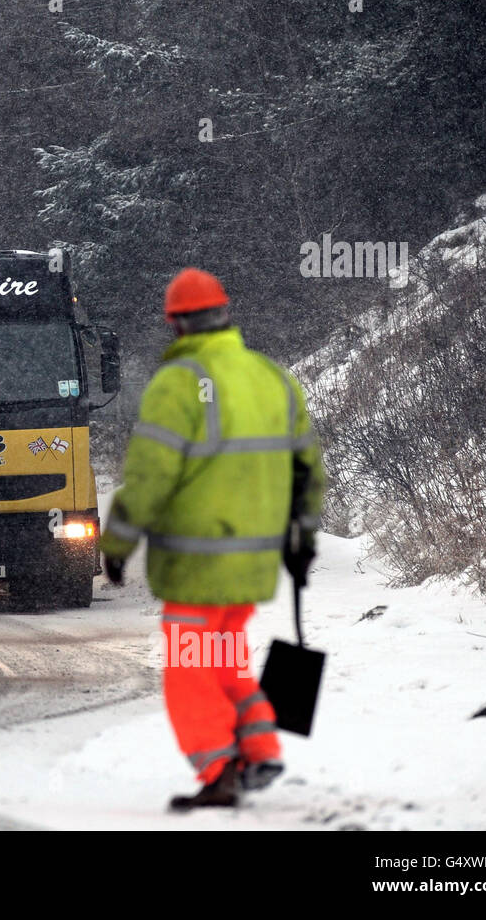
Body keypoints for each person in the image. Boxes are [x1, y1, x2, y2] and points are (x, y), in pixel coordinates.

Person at [98, 267, 326, 811]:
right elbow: (307, 468)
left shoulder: (180, 384)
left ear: (175, 324)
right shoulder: (272, 376)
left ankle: (219, 766)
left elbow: (151, 477)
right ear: (225, 313)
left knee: (189, 672)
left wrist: (117, 543)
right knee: (223, 662)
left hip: (198, 566)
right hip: (252, 564)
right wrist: (303, 537)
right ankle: (259, 748)